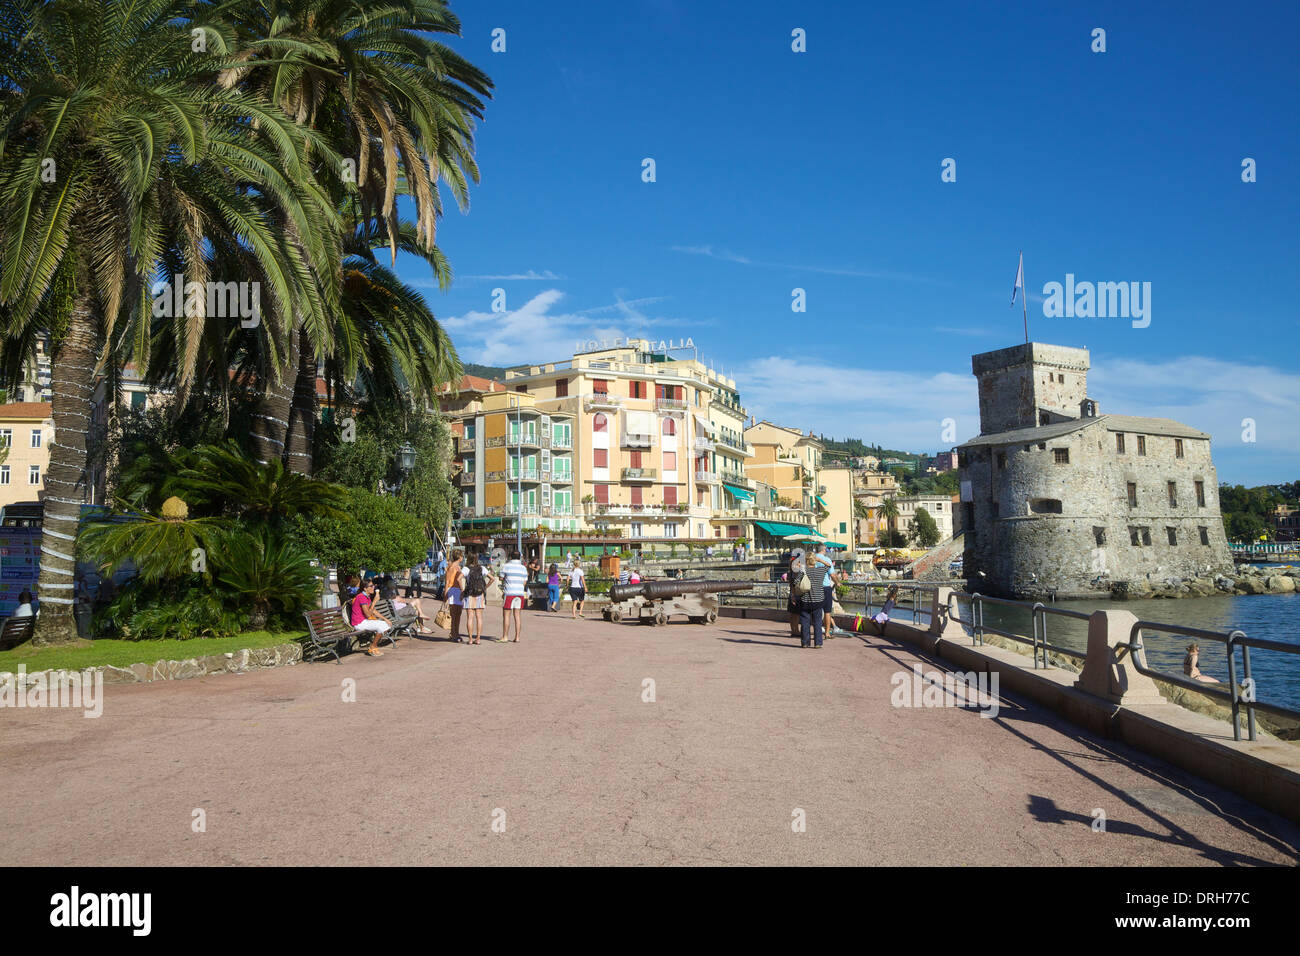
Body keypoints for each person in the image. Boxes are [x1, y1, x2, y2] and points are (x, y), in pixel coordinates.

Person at [350, 579, 393, 657]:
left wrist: (385, 619)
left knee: (386, 625)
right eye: (371, 586)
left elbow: (374, 611)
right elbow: (368, 614)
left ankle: (373, 646)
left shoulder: (366, 596)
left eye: (373, 586)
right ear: (365, 588)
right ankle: (373, 647)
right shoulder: (361, 597)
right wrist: (374, 601)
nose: (373, 587)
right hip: (359, 623)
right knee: (382, 626)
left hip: (364, 621)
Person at [461, 558, 494, 645]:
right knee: (479, 617)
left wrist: (462, 590)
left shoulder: (466, 568)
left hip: (469, 594)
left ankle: (471, 639)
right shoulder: (482, 568)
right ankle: (478, 638)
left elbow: (458, 578)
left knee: (470, 617)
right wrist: (485, 587)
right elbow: (492, 579)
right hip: (480, 594)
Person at [797, 556, 826, 649]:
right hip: (818, 600)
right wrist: (820, 560)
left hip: (805, 600)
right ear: (815, 561)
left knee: (805, 623)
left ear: (806, 561)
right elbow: (829, 566)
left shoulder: (803, 571)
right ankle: (818, 643)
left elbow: (795, 583)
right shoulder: (821, 570)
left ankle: (805, 643)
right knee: (818, 622)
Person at [501, 550, 529, 642]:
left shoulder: (506, 566)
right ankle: (517, 637)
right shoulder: (523, 568)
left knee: (506, 615)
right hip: (519, 593)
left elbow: (501, 577)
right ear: (520, 557)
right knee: (517, 615)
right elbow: (525, 582)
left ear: (510, 557)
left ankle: (505, 636)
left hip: (509, 592)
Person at [444, 549, 465, 642]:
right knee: (454, 613)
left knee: (458, 613)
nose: (463, 558)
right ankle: (453, 633)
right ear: (460, 557)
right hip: (453, 590)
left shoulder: (457, 566)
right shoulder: (452, 567)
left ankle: (456, 632)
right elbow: (448, 581)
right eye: (462, 556)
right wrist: (445, 594)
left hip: (457, 590)